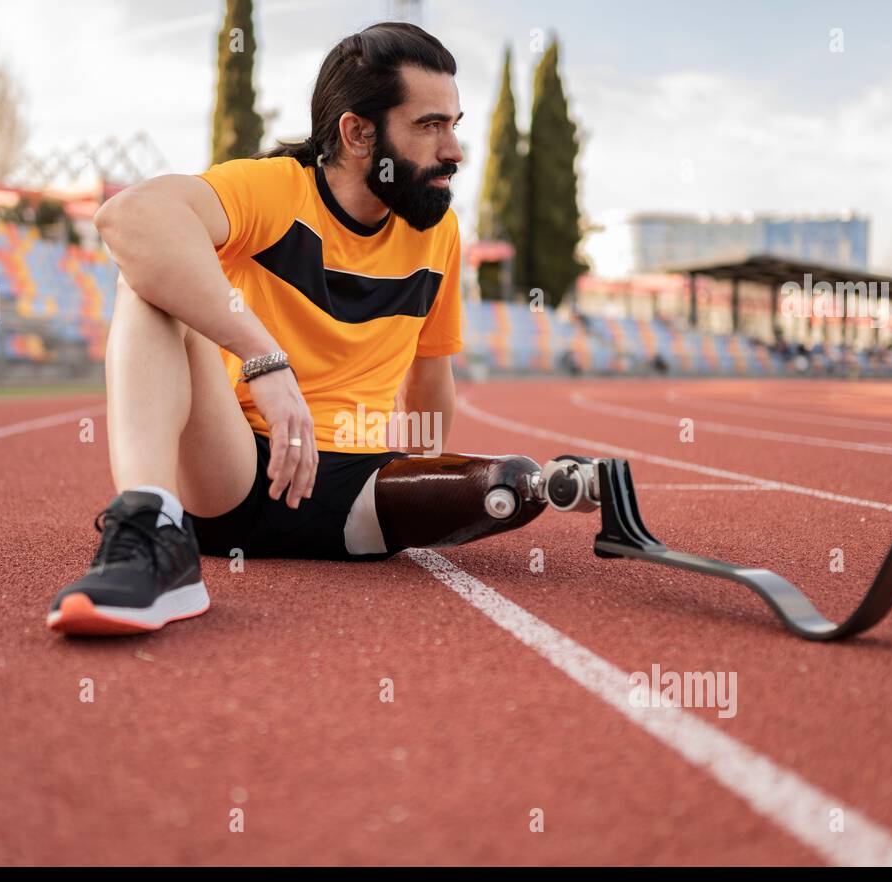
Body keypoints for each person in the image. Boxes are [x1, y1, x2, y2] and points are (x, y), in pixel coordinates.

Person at [48, 23, 548, 636]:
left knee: (518, 484)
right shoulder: (275, 189)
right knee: (148, 280)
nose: (454, 150)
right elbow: (130, 217)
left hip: (357, 491)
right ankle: (151, 536)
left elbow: (430, 378)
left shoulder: (437, 231)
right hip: (229, 474)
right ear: (358, 132)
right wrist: (266, 361)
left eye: (454, 124)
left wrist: (428, 477)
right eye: (429, 125)